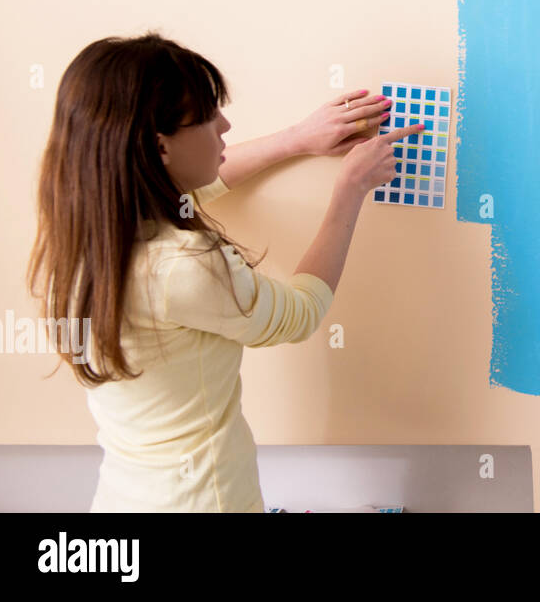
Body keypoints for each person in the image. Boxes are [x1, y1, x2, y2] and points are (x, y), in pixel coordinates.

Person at [26, 33, 422, 511]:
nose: (225, 124)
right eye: (208, 117)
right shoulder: (182, 267)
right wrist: (351, 189)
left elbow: (188, 189)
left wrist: (298, 139)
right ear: (160, 148)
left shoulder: (82, 236)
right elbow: (299, 313)